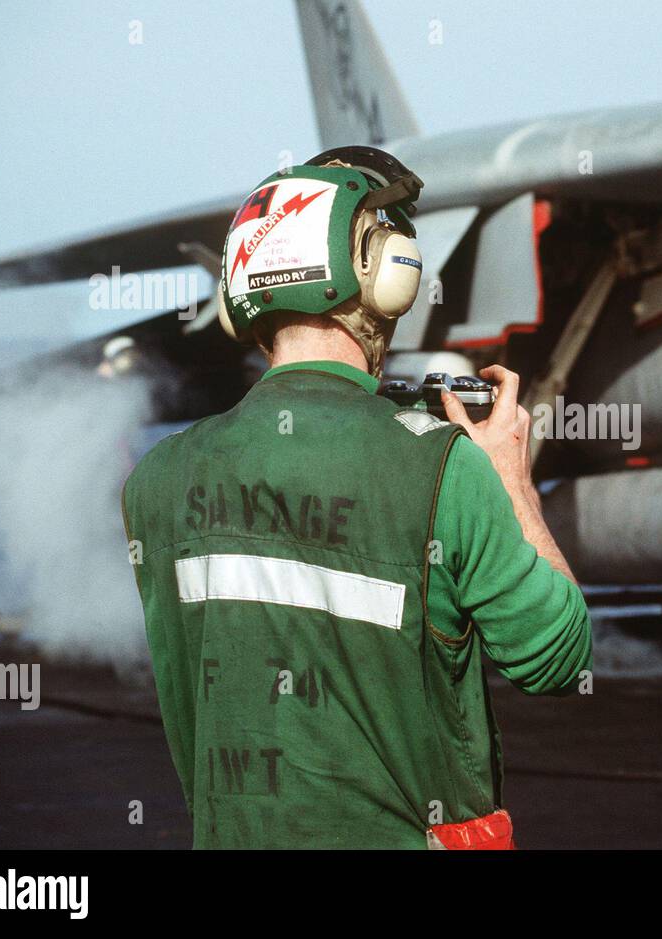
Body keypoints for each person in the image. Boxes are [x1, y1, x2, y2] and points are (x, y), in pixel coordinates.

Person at [121, 146, 592, 849]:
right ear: (382, 275)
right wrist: (513, 483)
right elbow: (557, 658)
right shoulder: (444, 466)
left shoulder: (156, 480)